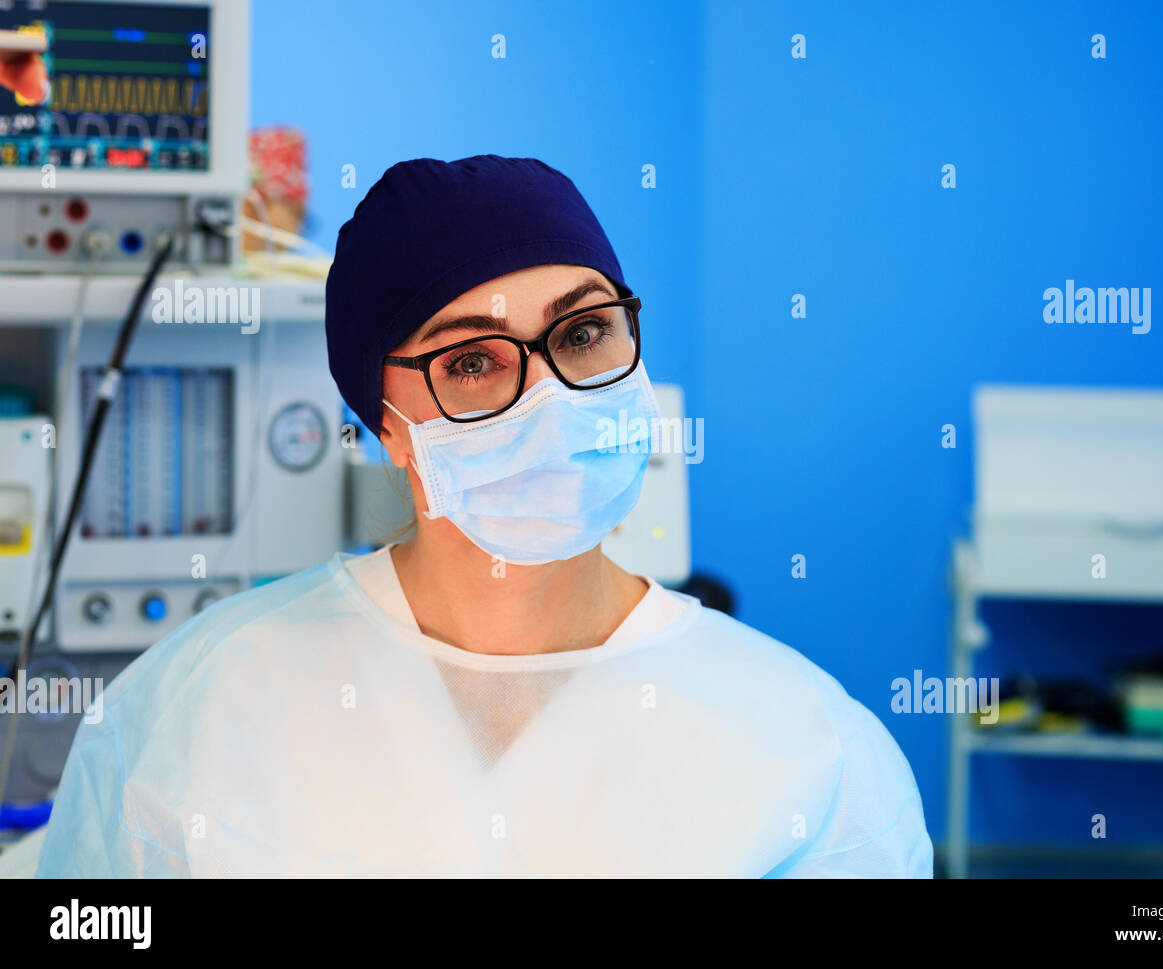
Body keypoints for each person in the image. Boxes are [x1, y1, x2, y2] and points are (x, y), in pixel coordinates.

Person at [36, 155, 933, 877]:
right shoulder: (193, 708)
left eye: (583, 332)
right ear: (385, 425)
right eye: (472, 361)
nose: (547, 395)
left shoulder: (809, 754)